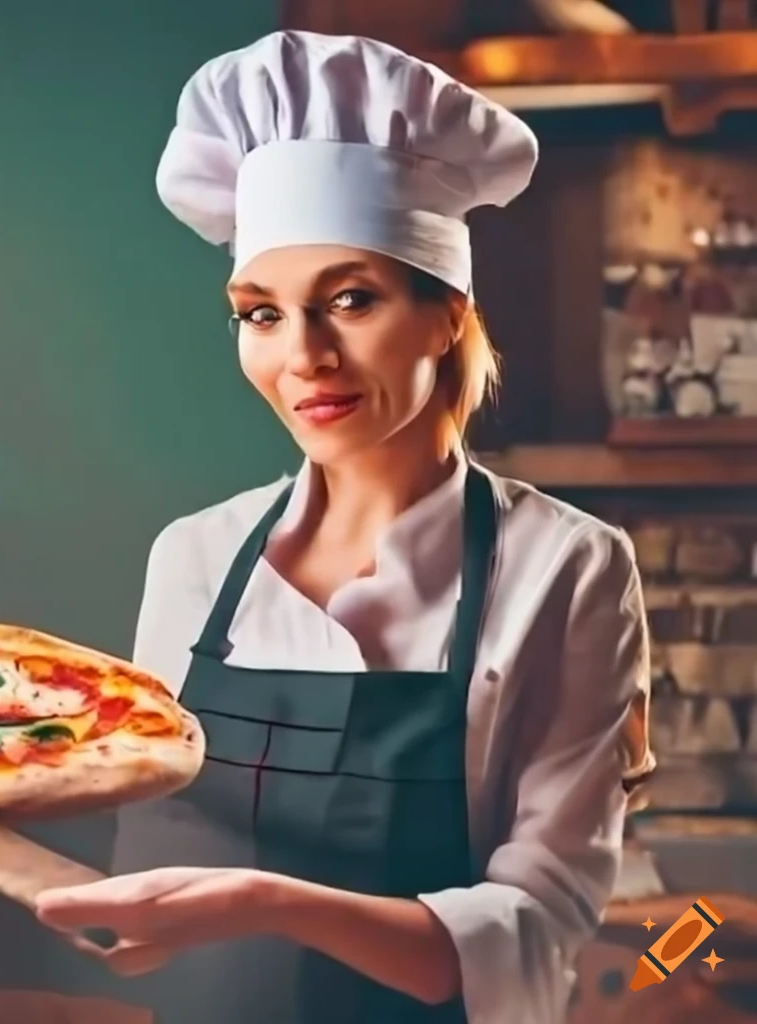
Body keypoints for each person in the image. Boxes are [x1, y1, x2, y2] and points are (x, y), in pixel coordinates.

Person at [35, 29, 655, 1024]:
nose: (303, 356)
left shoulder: (568, 568)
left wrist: (266, 903)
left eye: (350, 299)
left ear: (445, 312)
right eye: (260, 312)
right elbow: (145, 888)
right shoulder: (193, 558)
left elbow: (539, 925)